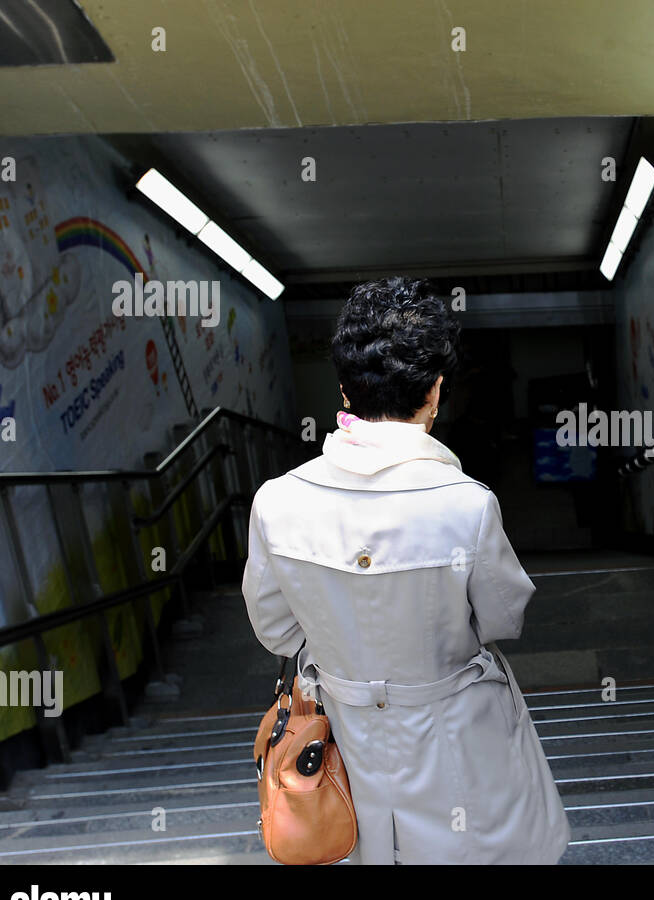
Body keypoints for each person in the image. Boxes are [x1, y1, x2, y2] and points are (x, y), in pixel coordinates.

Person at [242, 277, 570, 864]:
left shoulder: (276, 502)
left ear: (343, 389)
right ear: (436, 392)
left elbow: (277, 631)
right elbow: (503, 617)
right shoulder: (467, 503)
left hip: (342, 746)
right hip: (458, 743)